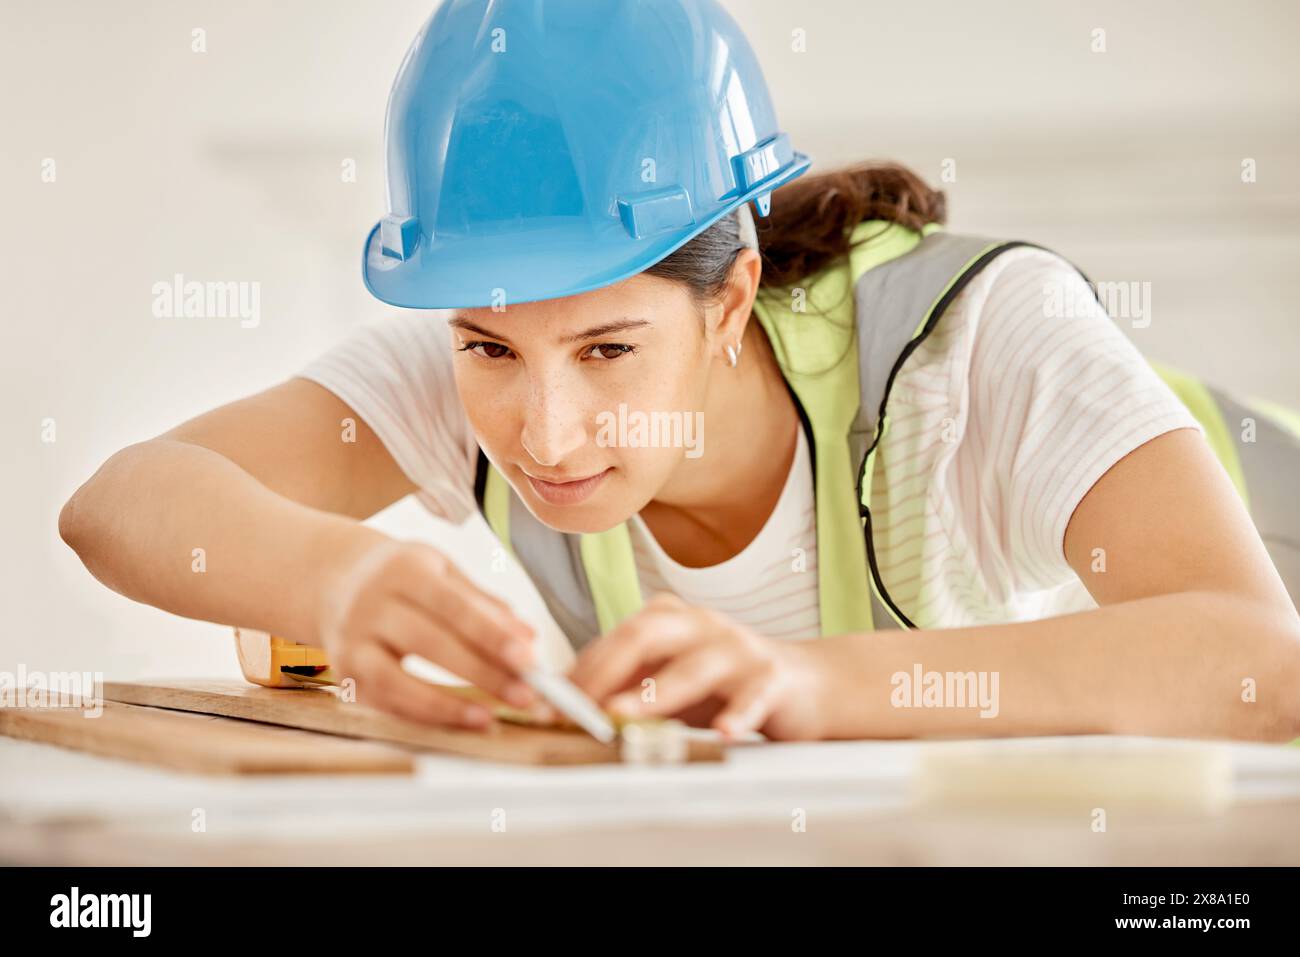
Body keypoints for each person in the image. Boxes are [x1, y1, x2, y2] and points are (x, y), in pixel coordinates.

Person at [59, 0, 1300, 742]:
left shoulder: (979, 343)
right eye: (487, 350)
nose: (543, 434)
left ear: (731, 302)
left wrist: (809, 683)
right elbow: (119, 503)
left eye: (608, 351)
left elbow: (1254, 658)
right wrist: (336, 576)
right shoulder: (489, 352)